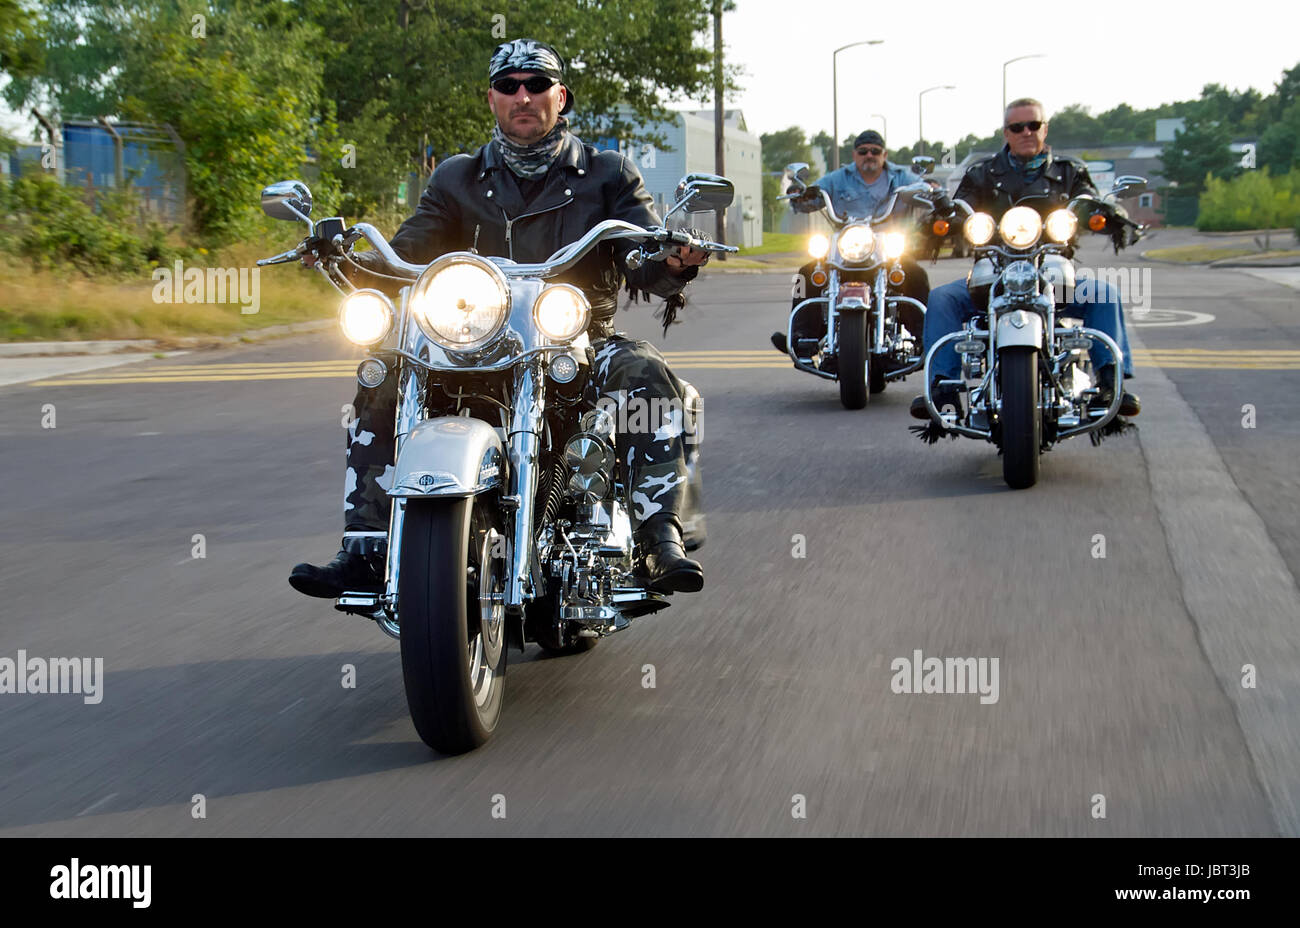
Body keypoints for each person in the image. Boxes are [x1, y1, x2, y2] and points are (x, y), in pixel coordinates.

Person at [289, 38, 711, 601]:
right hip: (471, 342)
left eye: (537, 85)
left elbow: (642, 257)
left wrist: (672, 260)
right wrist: (350, 259)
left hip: (577, 340)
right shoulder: (456, 178)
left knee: (642, 372)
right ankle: (364, 548)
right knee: (382, 373)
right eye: (509, 85)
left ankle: (660, 540)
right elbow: (406, 256)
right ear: (491, 98)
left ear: (560, 96)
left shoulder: (607, 174)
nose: (523, 96)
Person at [910, 98, 1140, 422]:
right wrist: (944, 217)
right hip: (992, 273)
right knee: (942, 298)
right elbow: (961, 207)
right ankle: (943, 387)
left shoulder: (1068, 171)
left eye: (1033, 125)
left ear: (1045, 129)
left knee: (1105, 295)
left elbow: (1087, 202)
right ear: (1006, 132)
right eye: (1018, 127)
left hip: (1055, 273)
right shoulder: (982, 173)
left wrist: (1106, 212)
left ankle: (1108, 384)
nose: (1026, 132)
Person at [771, 129, 929, 358]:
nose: (869, 156)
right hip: (845, 250)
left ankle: (925, 336)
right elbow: (814, 194)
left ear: (884, 154)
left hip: (888, 250)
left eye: (875, 151)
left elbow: (923, 190)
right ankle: (801, 336)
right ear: (855, 155)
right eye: (863, 151)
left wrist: (930, 191)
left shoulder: (901, 178)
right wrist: (800, 194)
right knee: (805, 274)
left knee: (916, 275)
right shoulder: (838, 178)